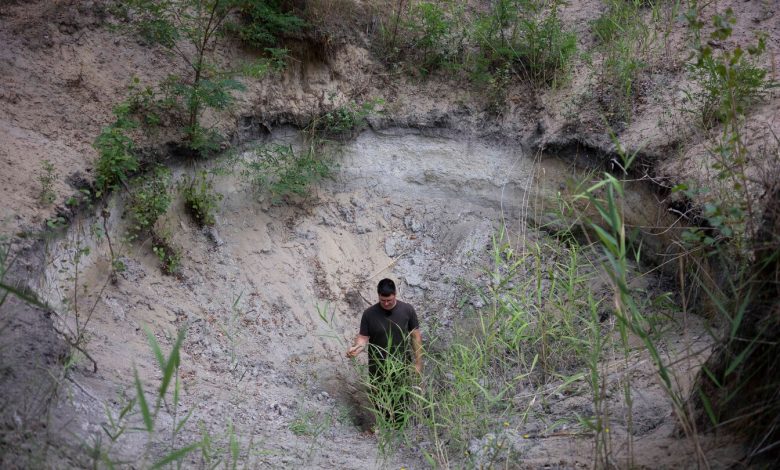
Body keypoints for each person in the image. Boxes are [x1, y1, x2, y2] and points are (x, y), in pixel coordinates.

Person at [346, 278, 422, 425]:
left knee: (402, 400)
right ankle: (383, 428)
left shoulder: (407, 310)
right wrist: (356, 348)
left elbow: (416, 337)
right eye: (383, 300)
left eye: (389, 300)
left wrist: (418, 362)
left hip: (402, 366)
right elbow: (363, 338)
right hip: (378, 368)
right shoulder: (369, 314)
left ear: (395, 294)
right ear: (378, 296)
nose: (386, 304)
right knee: (380, 401)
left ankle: (401, 429)